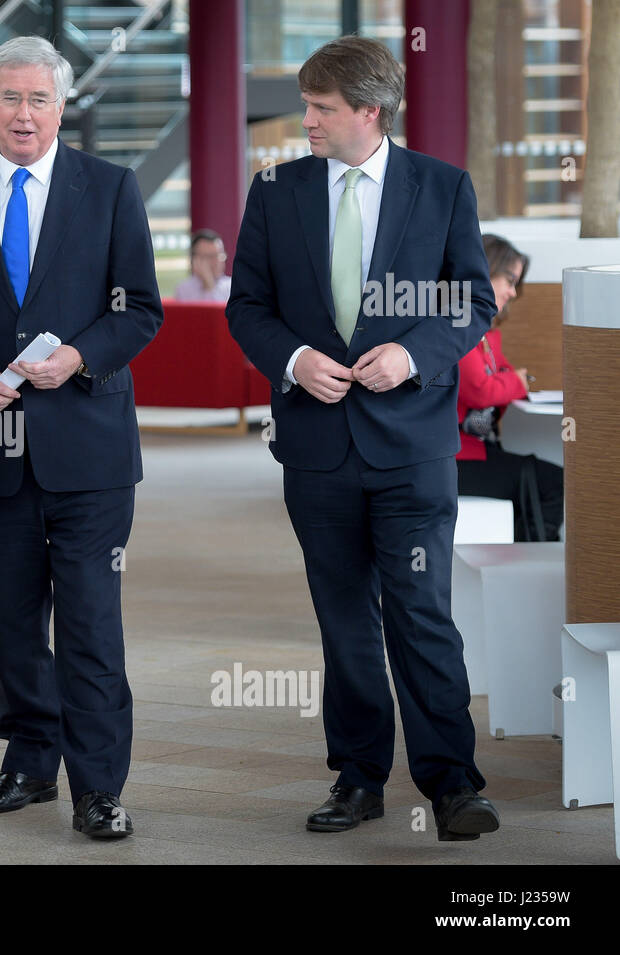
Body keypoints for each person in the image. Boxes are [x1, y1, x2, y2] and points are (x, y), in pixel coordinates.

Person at [227, 36, 501, 842]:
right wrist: (295, 357)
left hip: (412, 448)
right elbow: (248, 306)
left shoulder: (442, 187)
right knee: (343, 618)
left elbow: (472, 304)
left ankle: (453, 783)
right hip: (317, 449)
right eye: (306, 106)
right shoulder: (274, 189)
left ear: (369, 112)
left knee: (421, 612)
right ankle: (357, 777)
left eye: (320, 109)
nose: (304, 121)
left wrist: (413, 355)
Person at [0, 36, 163, 840]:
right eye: (9, 98)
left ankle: (99, 785)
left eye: (38, 99)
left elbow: (139, 309)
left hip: (89, 450)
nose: (23, 113)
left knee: (92, 621)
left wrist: (79, 355)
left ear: (62, 107)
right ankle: (30, 762)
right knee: (14, 619)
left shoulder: (111, 189)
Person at [455, 235, 563, 541]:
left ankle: (524, 565)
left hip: (474, 451)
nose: (513, 292)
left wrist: (509, 381)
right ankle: (531, 566)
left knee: (542, 480)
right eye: (510, 280)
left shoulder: (482, 334)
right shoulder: (457, 324)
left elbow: (502, 381)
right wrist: (513, 380)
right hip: (453, 460)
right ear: (485, 271)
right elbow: (482, 390)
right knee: (551, 482)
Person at [174, 229, 232, 302]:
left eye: (219, 255)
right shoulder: (184, 289)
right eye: (210, 256)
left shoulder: (232, 287)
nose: (217, 261)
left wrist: (209, 285)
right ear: (195, 260)